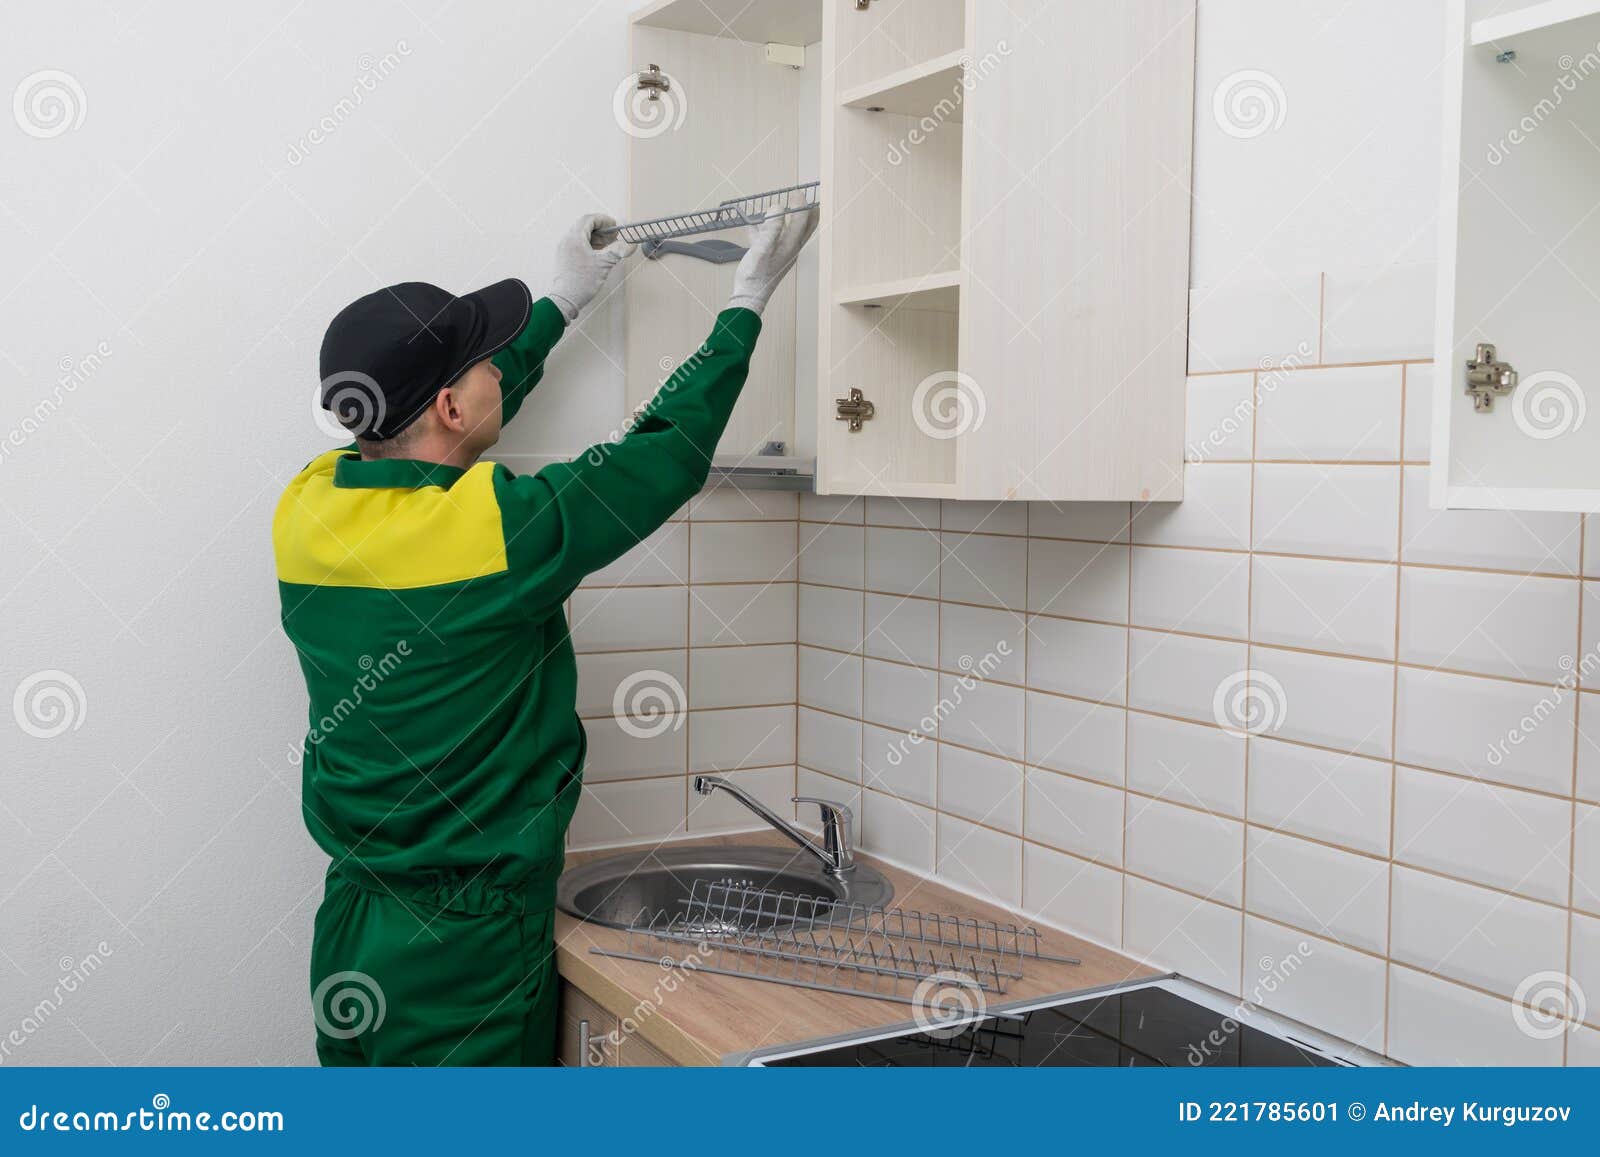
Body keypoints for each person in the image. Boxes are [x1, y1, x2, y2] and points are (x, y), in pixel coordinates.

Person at [271, 207, 819, 1065]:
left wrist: (562, 301)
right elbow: (659, 457)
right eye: (484, 361)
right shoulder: (499, 532)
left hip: (356, 928)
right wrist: (746, 302)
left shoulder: (307, 506)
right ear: (451, 402)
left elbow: (446, 427)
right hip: (466, 951)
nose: (498, 367)